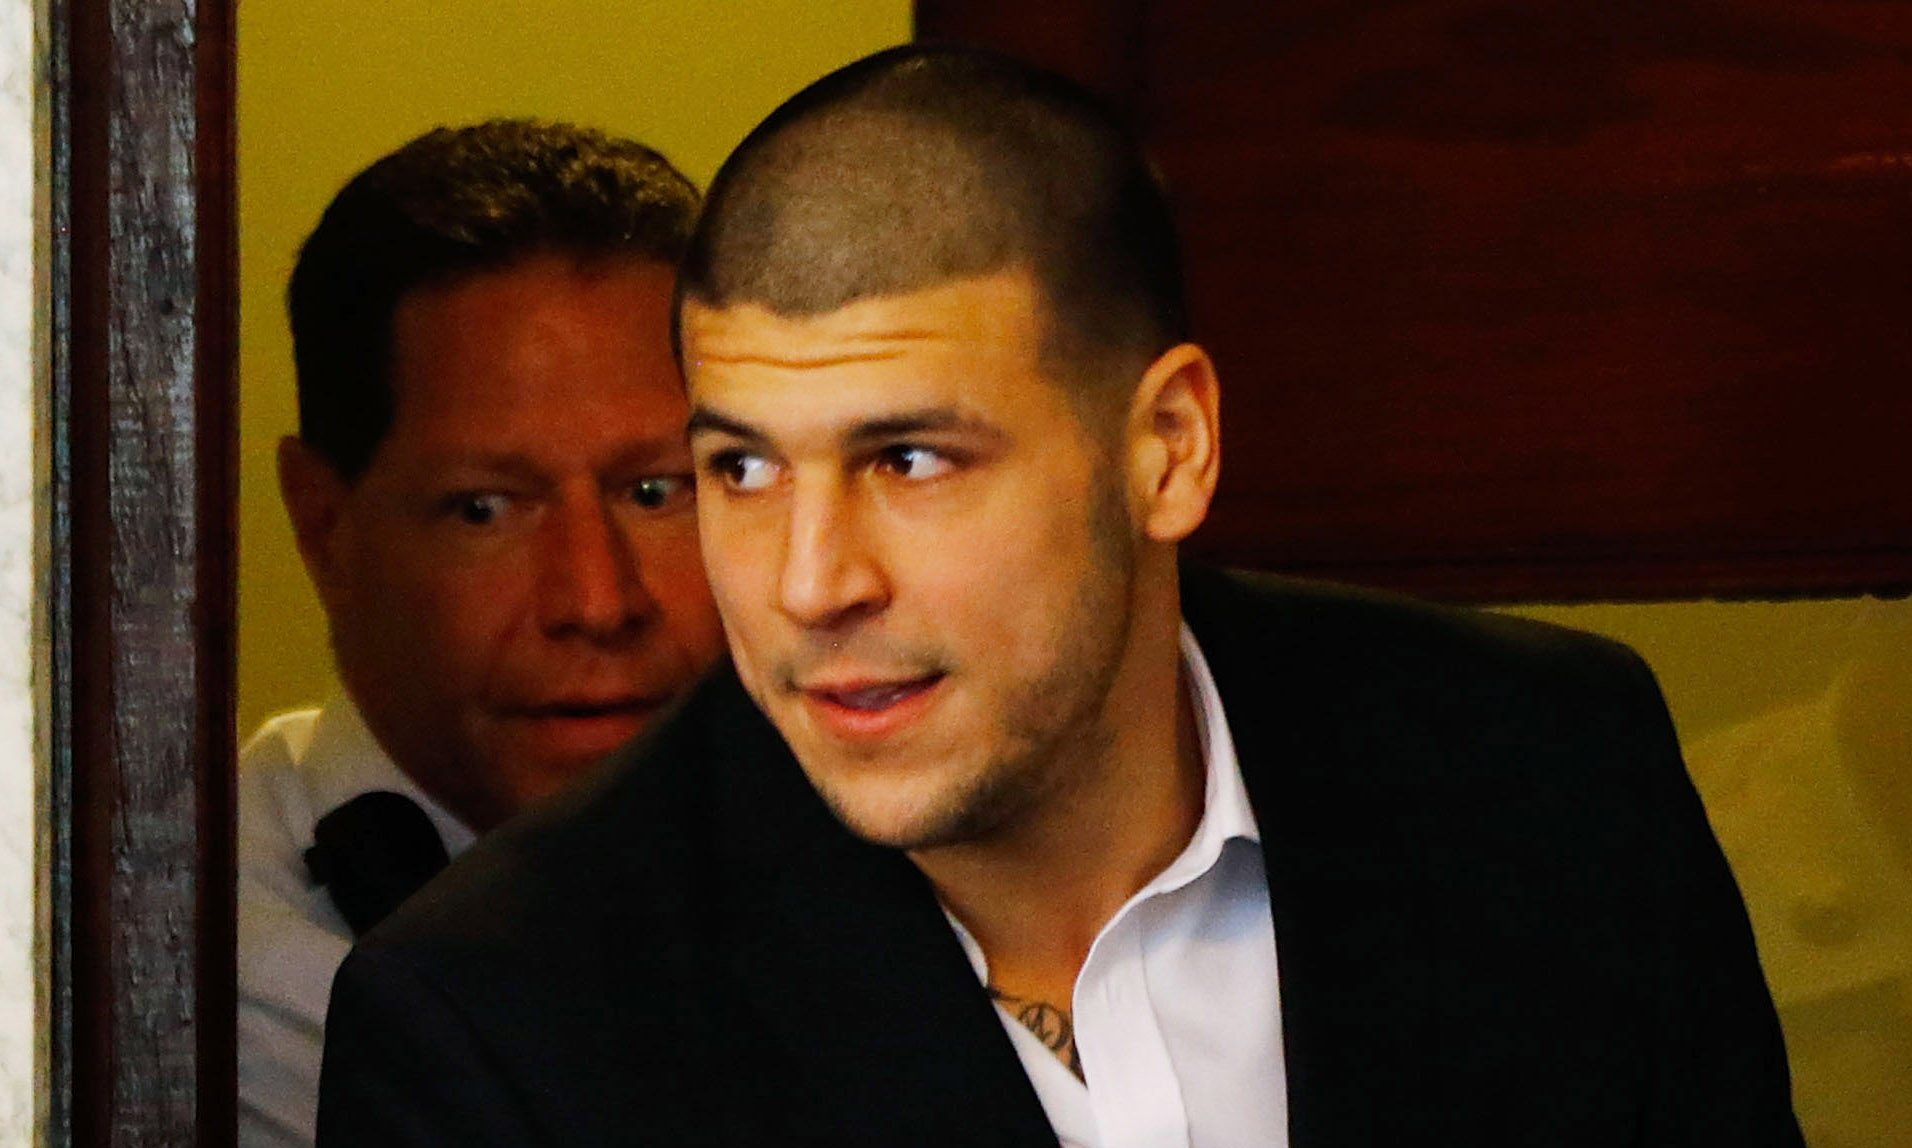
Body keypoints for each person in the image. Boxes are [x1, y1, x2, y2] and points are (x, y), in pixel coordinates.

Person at [316, 49, 1801, 1147]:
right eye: (741, 470)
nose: (811, 584)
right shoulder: (502, 1017)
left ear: (1168, 448)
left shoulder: (1547, 770)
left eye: (909, 458)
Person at [238, 120, 726, 1148]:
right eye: (484, 511)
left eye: (656, 492)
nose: (597, 600)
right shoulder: (197, 965)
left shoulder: (892, 852)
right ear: (323, 526)